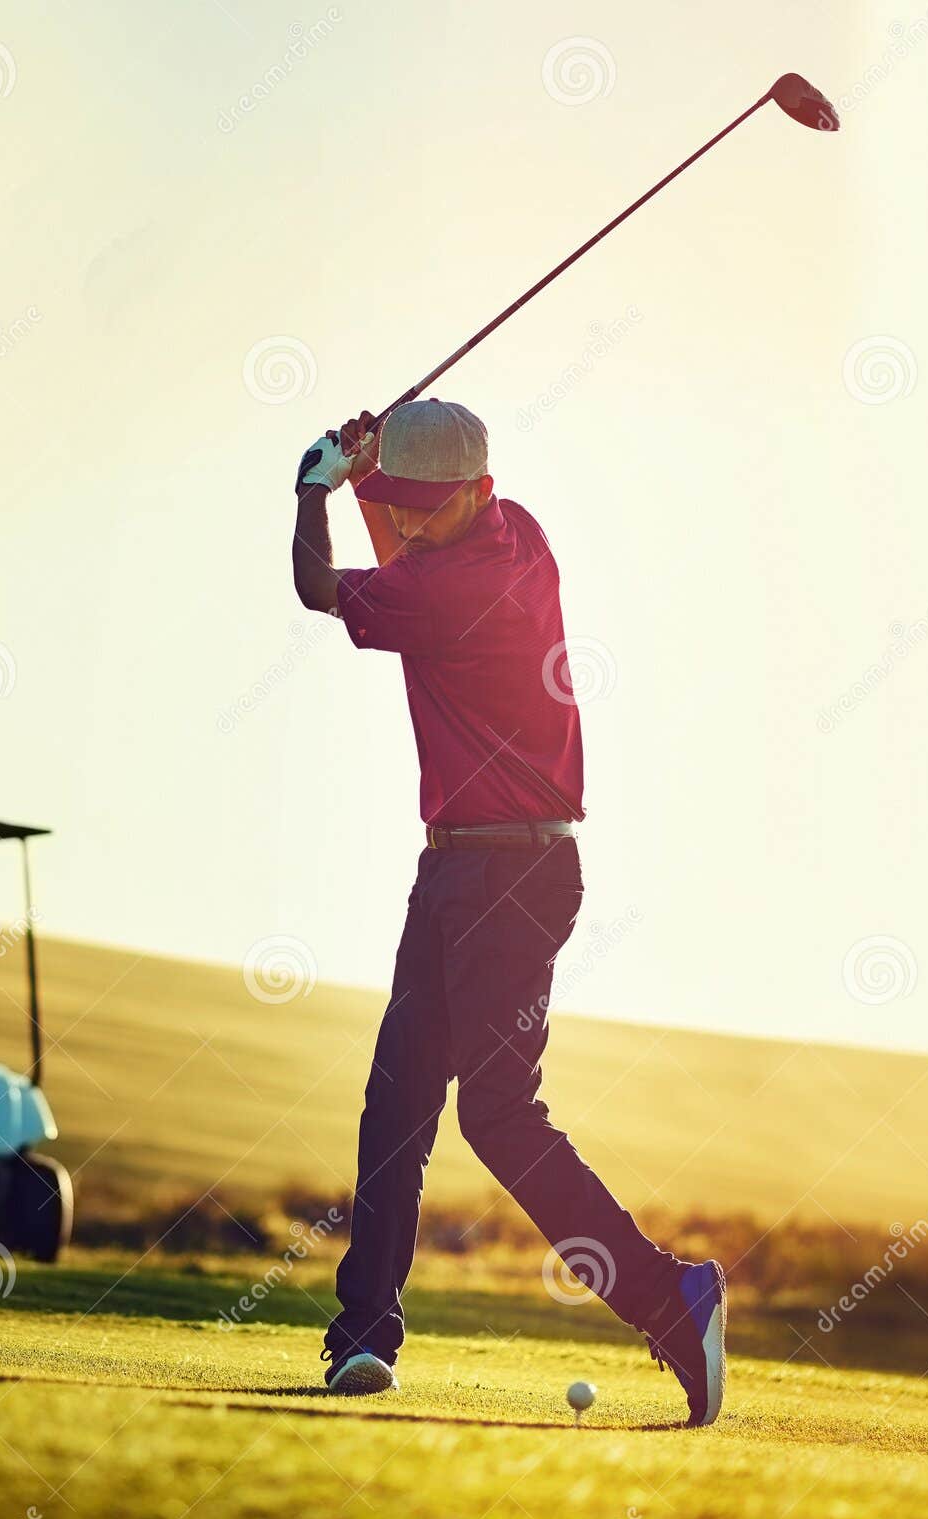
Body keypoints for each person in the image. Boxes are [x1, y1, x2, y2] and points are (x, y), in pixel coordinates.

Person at [289, 398, 726, 1426]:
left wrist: (315, 488)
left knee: (495, 1114)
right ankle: (362, 1343)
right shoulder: (515, 532)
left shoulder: (462, 587)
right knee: (396, 1104)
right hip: (458, 869)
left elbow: (323, 589)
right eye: (409, 506)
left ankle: (673, 1298)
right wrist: (368, 480)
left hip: (511, 880)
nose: (417, 522)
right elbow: (408, 554)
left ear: (474, 496)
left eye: (428, 508)